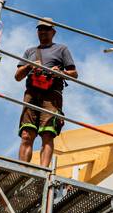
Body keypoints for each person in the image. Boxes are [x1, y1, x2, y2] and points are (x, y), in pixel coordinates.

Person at [14, 19, 77, 167]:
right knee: (26, 134)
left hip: (51, 96)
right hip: (31, 94)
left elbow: (74, 74)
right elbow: (17, 76)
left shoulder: (61, 49)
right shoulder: (30, 51)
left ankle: (43, 171)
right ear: (37, 32)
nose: (43, 32)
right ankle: (21, 169)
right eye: (40, 29)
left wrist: (59, 72)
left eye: (46, 29)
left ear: (53, 32)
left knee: (47, 134)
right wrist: (30, 65)